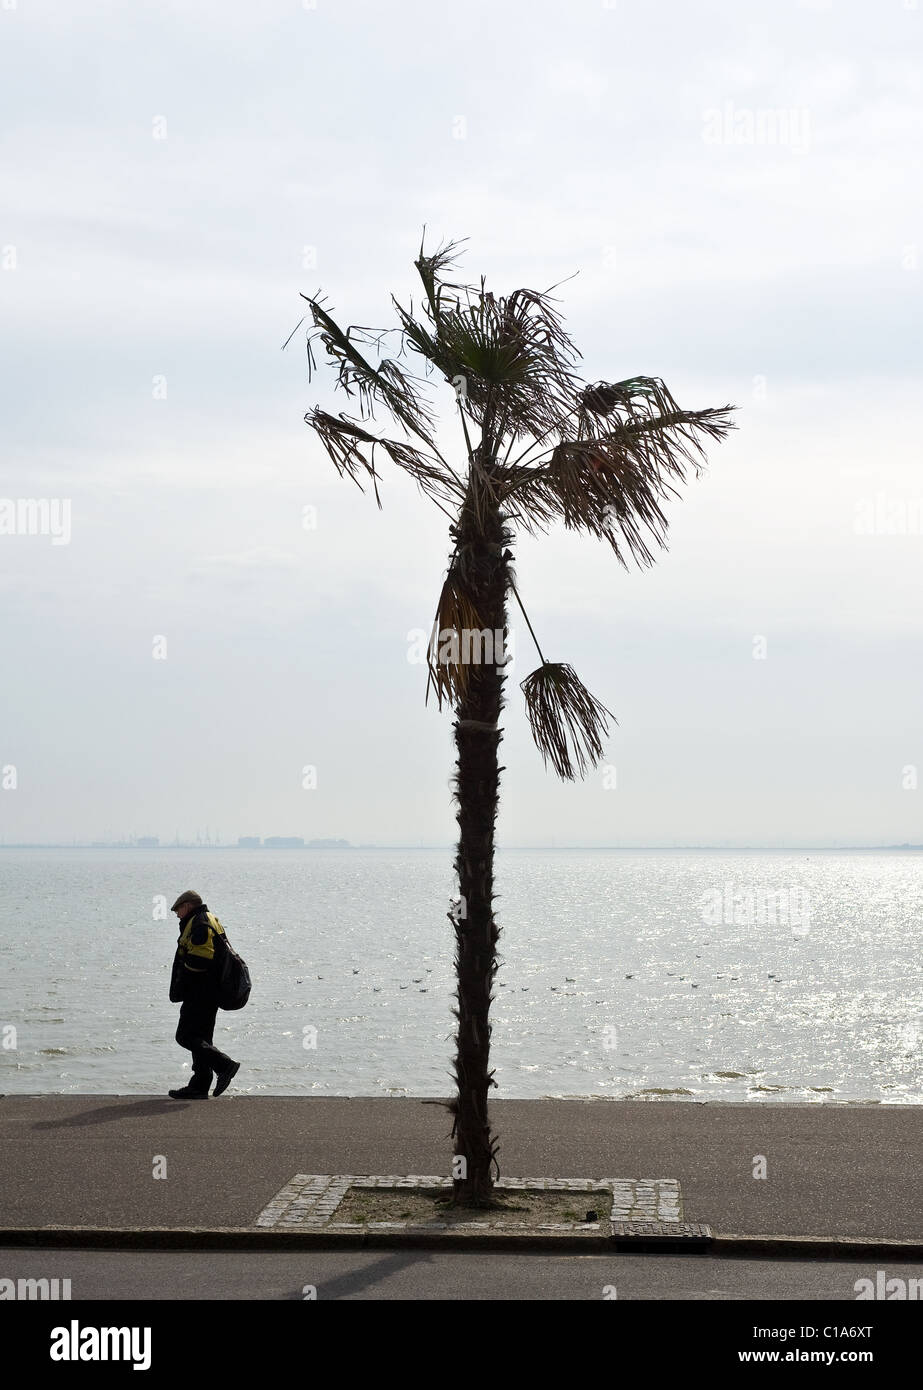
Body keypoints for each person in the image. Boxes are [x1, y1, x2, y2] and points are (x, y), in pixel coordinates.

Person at [168, 890, 240, 1099]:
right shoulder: (208, 919)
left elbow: (201, 960)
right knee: (201, 1038)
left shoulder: (200, 924)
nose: (177, 914)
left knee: (185, 1036)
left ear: (188, 906)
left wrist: (186, 980)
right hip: (210, 991)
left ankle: (224, 1065)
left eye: (178, 909)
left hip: (201, 992)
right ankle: (200, 1086)